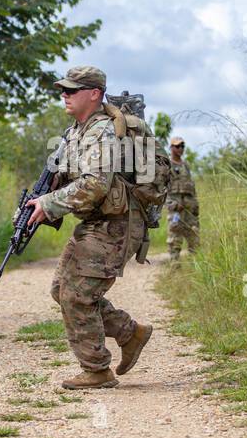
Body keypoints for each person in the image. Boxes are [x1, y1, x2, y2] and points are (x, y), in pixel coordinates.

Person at [24, 66, 153, 389]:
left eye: (71, 90)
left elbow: (96, 184)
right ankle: (129, 332)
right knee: (61, 290)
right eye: (63, 90)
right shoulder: (75, 131)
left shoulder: (102, 132)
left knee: (76, 295)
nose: (64, 96)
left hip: (116, 225)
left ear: (94, 94)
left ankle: (96, 370)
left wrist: (50, 203)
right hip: (95, 223)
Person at [166, 137, 199, 259]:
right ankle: (174, 264)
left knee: (194, 233)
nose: (180, 149)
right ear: (171, 148)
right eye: (177, 146)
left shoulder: (186, 165)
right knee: (175, 235)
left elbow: (192, 187)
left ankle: (194, 263)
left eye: (182, 146)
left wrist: (196, 205)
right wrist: (172, 204)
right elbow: (162, 189)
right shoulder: (167, 165)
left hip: (189, 208)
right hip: (176, 209)